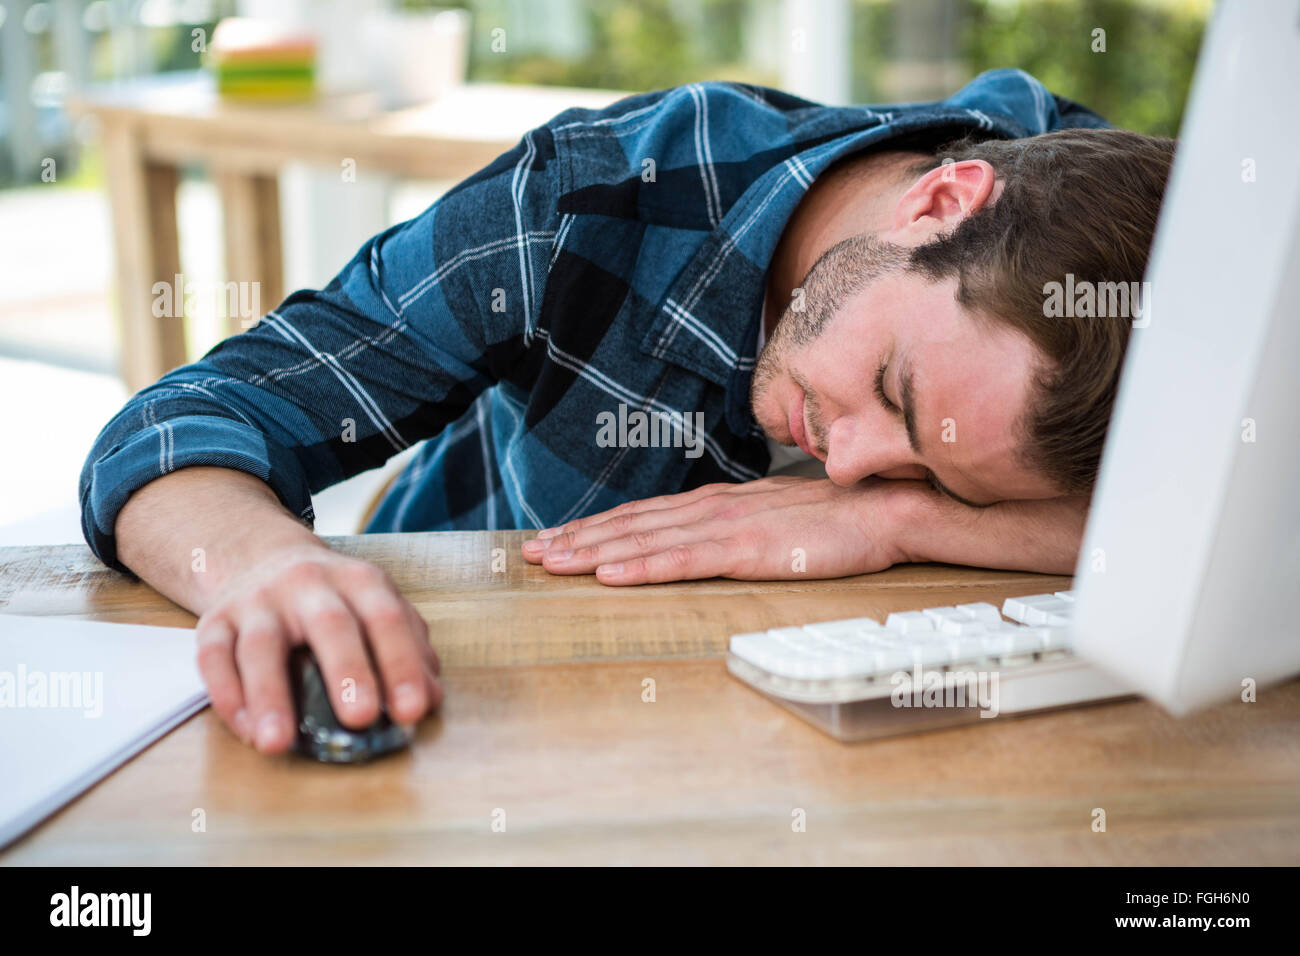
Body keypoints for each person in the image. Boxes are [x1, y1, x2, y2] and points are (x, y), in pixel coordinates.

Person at [79, 69, 1175, 754]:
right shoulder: (585, 200)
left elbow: (1248, 520)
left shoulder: (1123, 261)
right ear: (941, 200)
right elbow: (186, 420)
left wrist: (895, 524)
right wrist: (266, 566)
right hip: (486, 714)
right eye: (892, 392)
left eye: (934, 472)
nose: (847, 464)